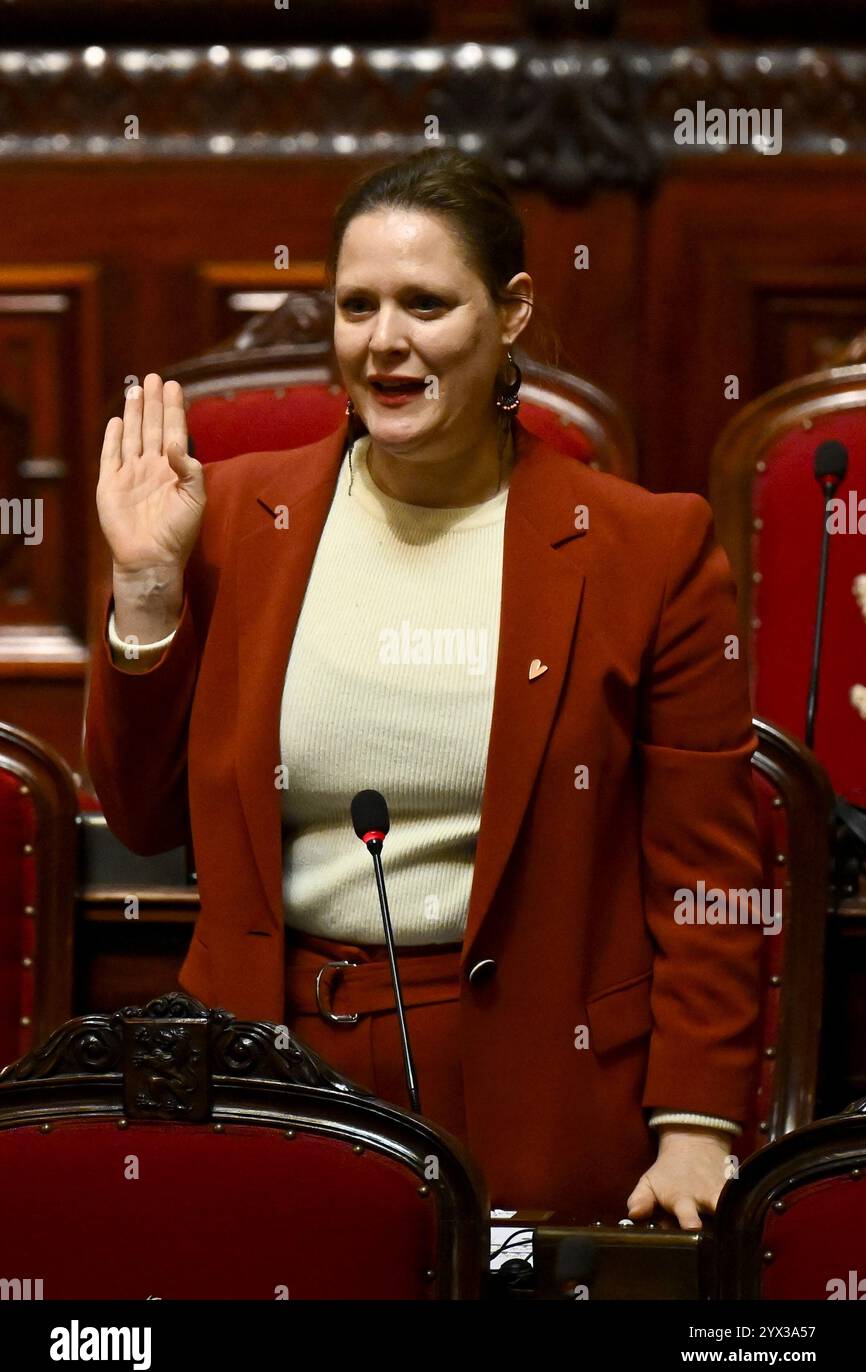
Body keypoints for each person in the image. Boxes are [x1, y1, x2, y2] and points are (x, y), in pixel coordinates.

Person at [85, 147, 763, 1228]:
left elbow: (708, 879)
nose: (384, 340)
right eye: (356, 304)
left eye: (424, 302)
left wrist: (697, 1125)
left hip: (533, 1088)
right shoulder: (233, 519)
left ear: (511, 312)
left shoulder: (643, 546)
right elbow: (140, 811)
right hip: (264, 1076)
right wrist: (147, 587)